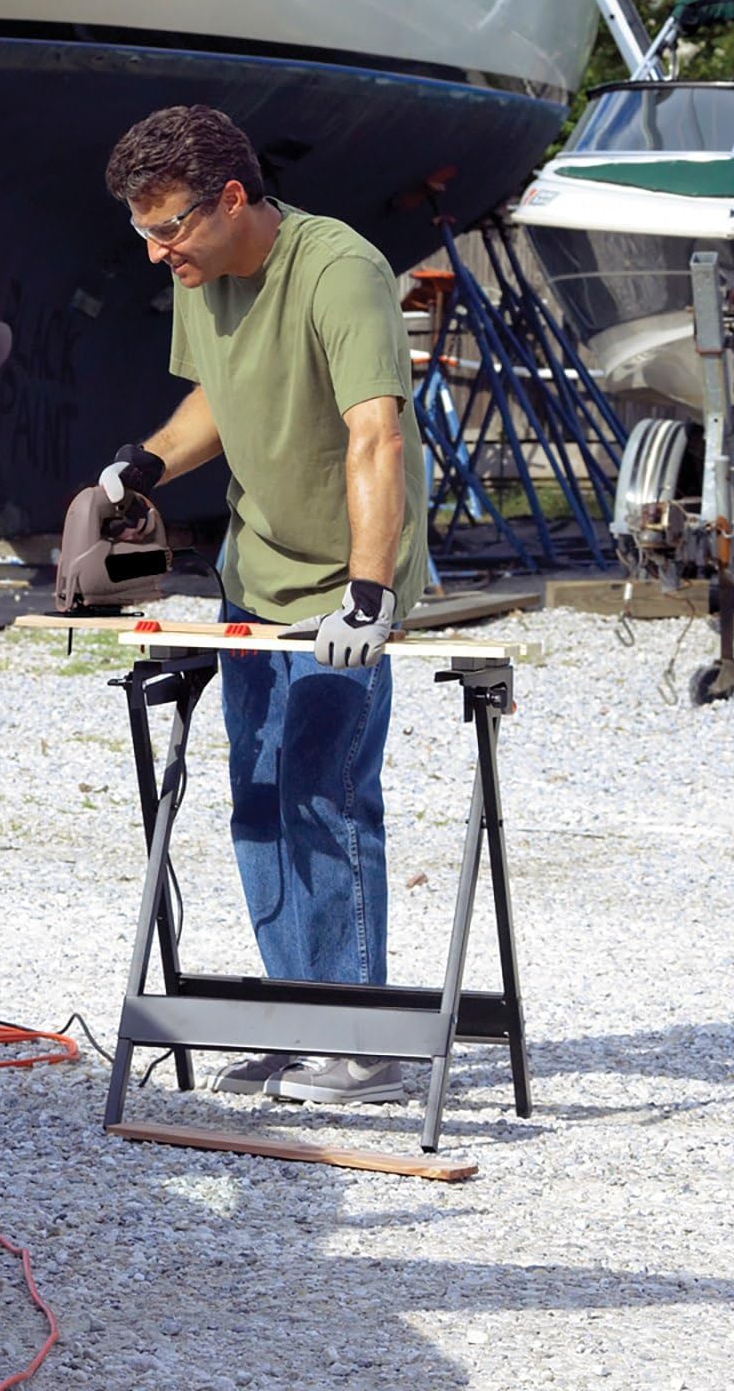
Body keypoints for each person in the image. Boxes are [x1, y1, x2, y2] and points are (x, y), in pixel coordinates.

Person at [100, 104, 428, 1108]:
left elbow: (374, 431)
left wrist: (368, 594)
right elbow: (215, 394)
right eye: (143, 234)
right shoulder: (203, 272)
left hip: (347, 582)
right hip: (256, 578)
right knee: (256, 795)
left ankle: (360, 1041)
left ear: (230, 199)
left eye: (168, 230)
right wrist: (146, 460)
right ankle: (295, 1021)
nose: (158, 253)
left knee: (322, 795)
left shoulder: (339, 271)